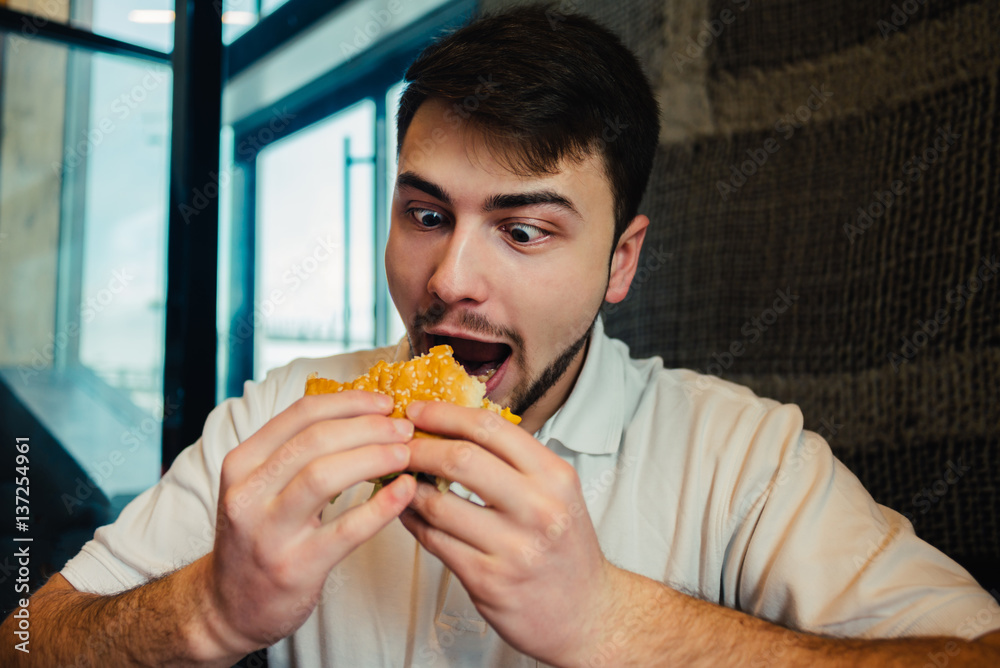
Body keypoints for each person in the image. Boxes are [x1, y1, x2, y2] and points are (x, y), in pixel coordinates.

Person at [4, 5, 999, 666]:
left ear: (620, 261)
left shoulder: (744, 457)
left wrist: (613, 615)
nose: (449, 280)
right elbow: (23, 634)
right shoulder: (275, 418)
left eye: (523, 231)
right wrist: (207, 608)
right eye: (426, 214)